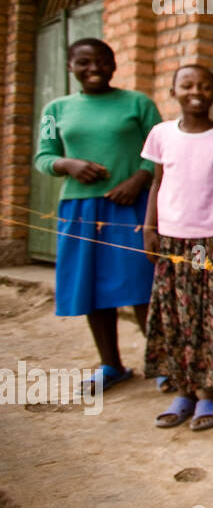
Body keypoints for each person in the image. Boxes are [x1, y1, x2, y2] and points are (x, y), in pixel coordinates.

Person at [33, 38, 162, 395]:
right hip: (81, 208)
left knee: (142, 283)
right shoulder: (54, 110)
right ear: (69, 67)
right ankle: (112, 365)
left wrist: (138, 179)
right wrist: (66, 164)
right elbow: (42, 156)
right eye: (84, 62)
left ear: (114, 64)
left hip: (131, 206)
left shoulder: (139, 103)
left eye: (102, 61)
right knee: (92, 287)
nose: (94, 69)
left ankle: (162, 362)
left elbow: (161, 149)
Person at [141, 64, 213, 431]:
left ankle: (208, 393)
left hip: (211, 243)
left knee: (210, 316)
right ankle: (182, 390)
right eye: (186, 85)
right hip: (172, 241)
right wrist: (149, 228)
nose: (196, 91)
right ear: (173, 92)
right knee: (175, 315)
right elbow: (157, 183)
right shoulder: (160, 134)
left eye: (205, 85)